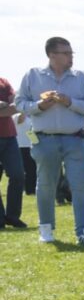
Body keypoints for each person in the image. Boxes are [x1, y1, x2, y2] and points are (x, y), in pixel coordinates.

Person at [17, 36, 84, 245]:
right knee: (45, 185)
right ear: (52, 55)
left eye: (71, 52)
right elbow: (19, 103)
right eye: (66, 53)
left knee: (81, 186)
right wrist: (39, 106)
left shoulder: (83, 78)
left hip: (76, 139)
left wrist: (69, 101)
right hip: (44, 140)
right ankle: (46, 229)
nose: (71, 56)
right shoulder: (32, 76)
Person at [0, 76, 23, 227]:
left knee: (18, 175)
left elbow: (17, 105)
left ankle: (12, 216)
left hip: (9, 136)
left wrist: (6, 107)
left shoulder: (3, 81)